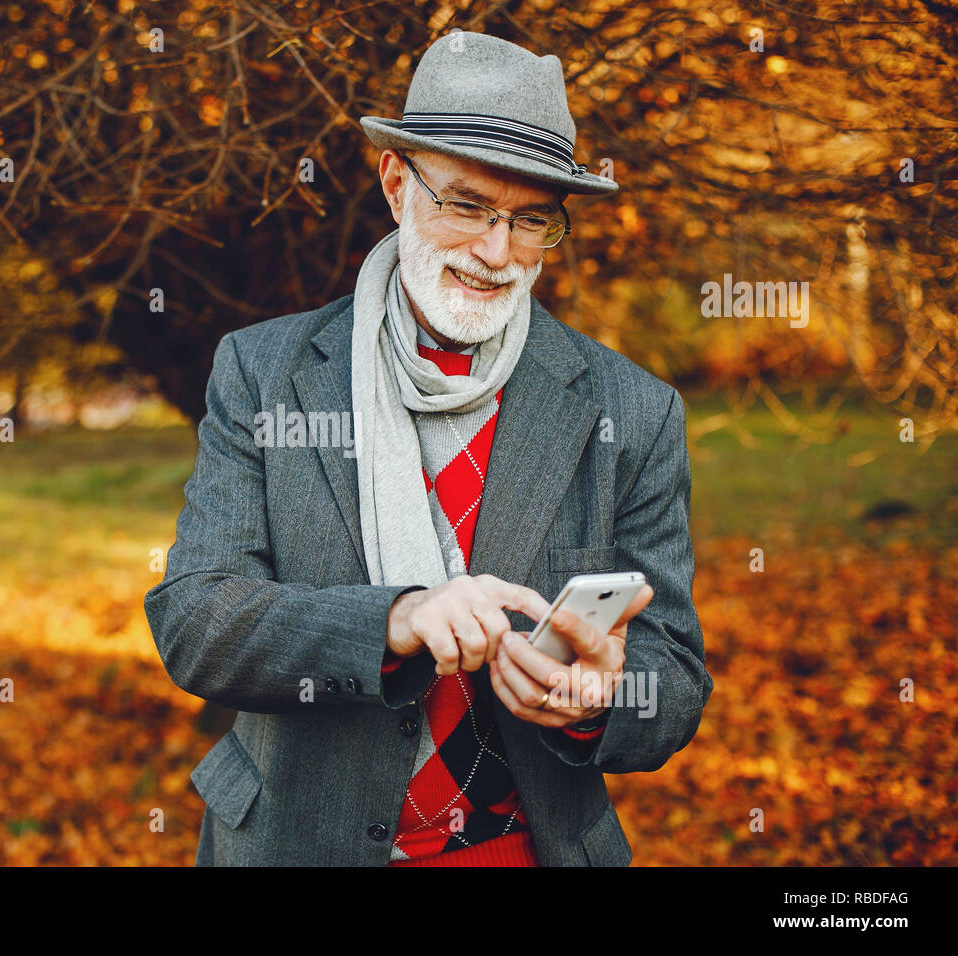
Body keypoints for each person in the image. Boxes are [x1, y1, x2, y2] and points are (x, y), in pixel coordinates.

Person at [144, 30, 712, 866]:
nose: (495, 252)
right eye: (468, 205)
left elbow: (676, 679)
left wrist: (599, 696)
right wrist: (398, 617)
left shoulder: (635, 409)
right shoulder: (263, 372)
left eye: (529, 221)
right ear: (395, 184)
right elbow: (197, 622)